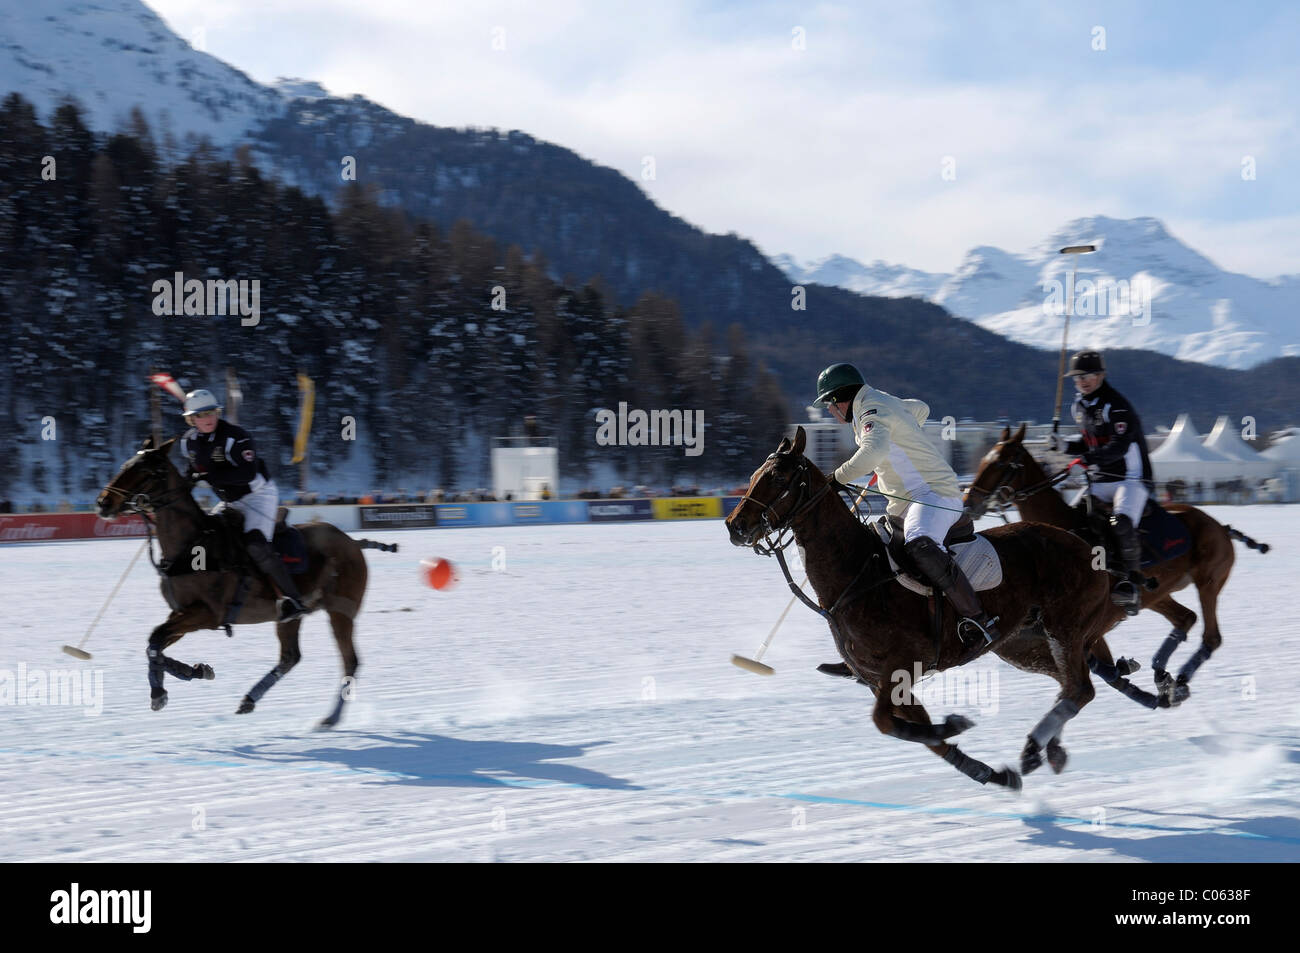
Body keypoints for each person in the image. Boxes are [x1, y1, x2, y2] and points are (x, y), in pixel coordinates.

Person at [814, 363, 1003, 673]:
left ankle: (979, 621)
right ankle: (871, 647)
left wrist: (836, 478)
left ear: (840, 399)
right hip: (907, 500)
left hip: (934, 493)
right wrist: (895, 447)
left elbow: (872, 453)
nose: (830, 412)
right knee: (872, 554)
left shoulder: (871, 410)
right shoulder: (881, 402)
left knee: (919, 543)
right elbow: (920, 409)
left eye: (829, 405)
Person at [178, 389, 308, 622]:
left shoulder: (236, 436)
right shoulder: (189, 442)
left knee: (256, 545)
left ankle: (293, 600)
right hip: (230, 500)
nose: (208, 418)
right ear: (191, 419)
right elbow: (192, 471)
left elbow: (247, 473)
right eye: (201, 415)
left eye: (211, 412)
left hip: (258, 495)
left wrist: (210, 477)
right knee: (207, 536)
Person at [1047, 350, 1154, 611]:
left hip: (1130, 479)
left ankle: (1131, 584)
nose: (1082, 381)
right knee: (1072, 521)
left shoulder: (1116, 405)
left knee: (1121, 523)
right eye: (1077, 377)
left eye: (1088, 375)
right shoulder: (1079, 406)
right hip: (1099, 479)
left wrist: (1086, 459)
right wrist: (1064, 446)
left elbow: (1118, 446)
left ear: (1101, 376)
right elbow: (1089, 442)